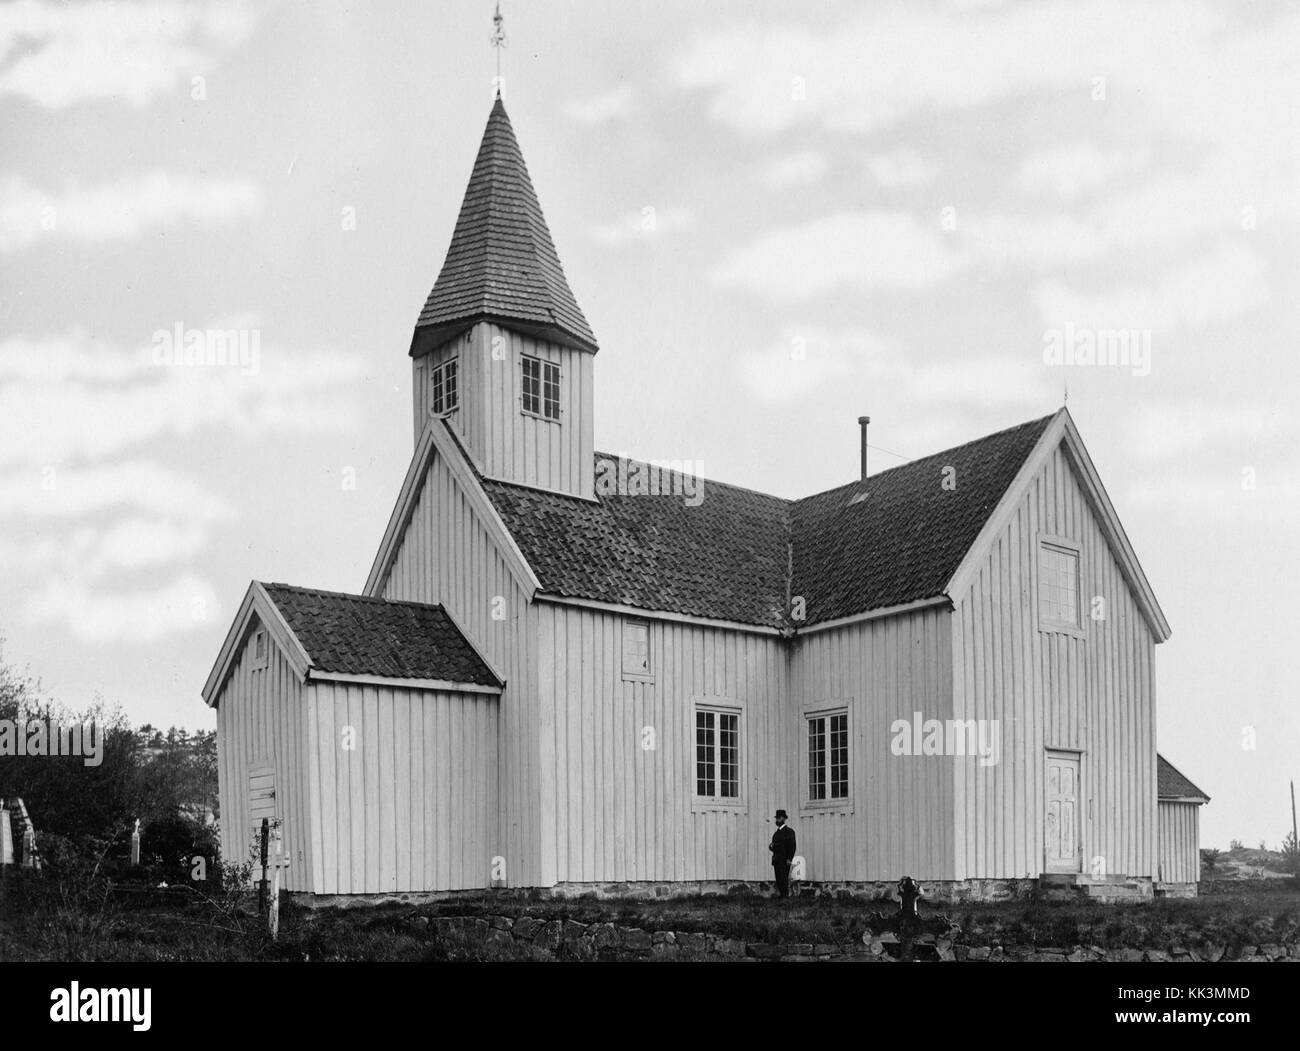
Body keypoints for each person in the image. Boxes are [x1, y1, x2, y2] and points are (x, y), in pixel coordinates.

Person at [769, 809, 796, 898]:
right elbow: (774, 847)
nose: (777, 820)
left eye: (779, 818)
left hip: (784, 860)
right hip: (777, 860)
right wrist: (771, 846)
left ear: (784, 819)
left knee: (784, 879)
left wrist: (789, 859)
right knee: (779, 879)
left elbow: (792, 847)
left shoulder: (789, 832)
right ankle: (782, 896)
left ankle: (785, 897)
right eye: (776, 818)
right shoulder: (776, 834)